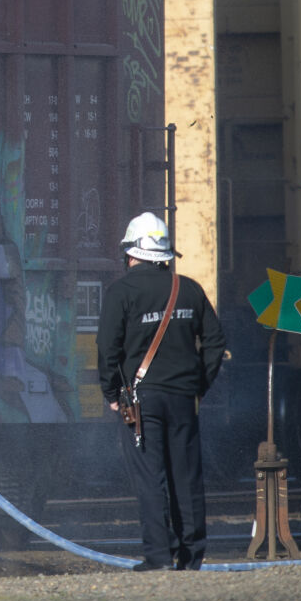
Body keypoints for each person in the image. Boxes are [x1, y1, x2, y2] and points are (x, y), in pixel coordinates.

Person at [96, 211, 225, 571]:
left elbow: (107, 348)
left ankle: (158, 556)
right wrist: (199, 385)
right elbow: (215, 342)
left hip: (141, 401)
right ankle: (191, 554)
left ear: (132, 253)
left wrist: (111, 394)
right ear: (166, 255)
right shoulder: (190, 289)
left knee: (150, 477)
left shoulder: (120, 292)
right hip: (185, 399)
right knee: (186, 475)